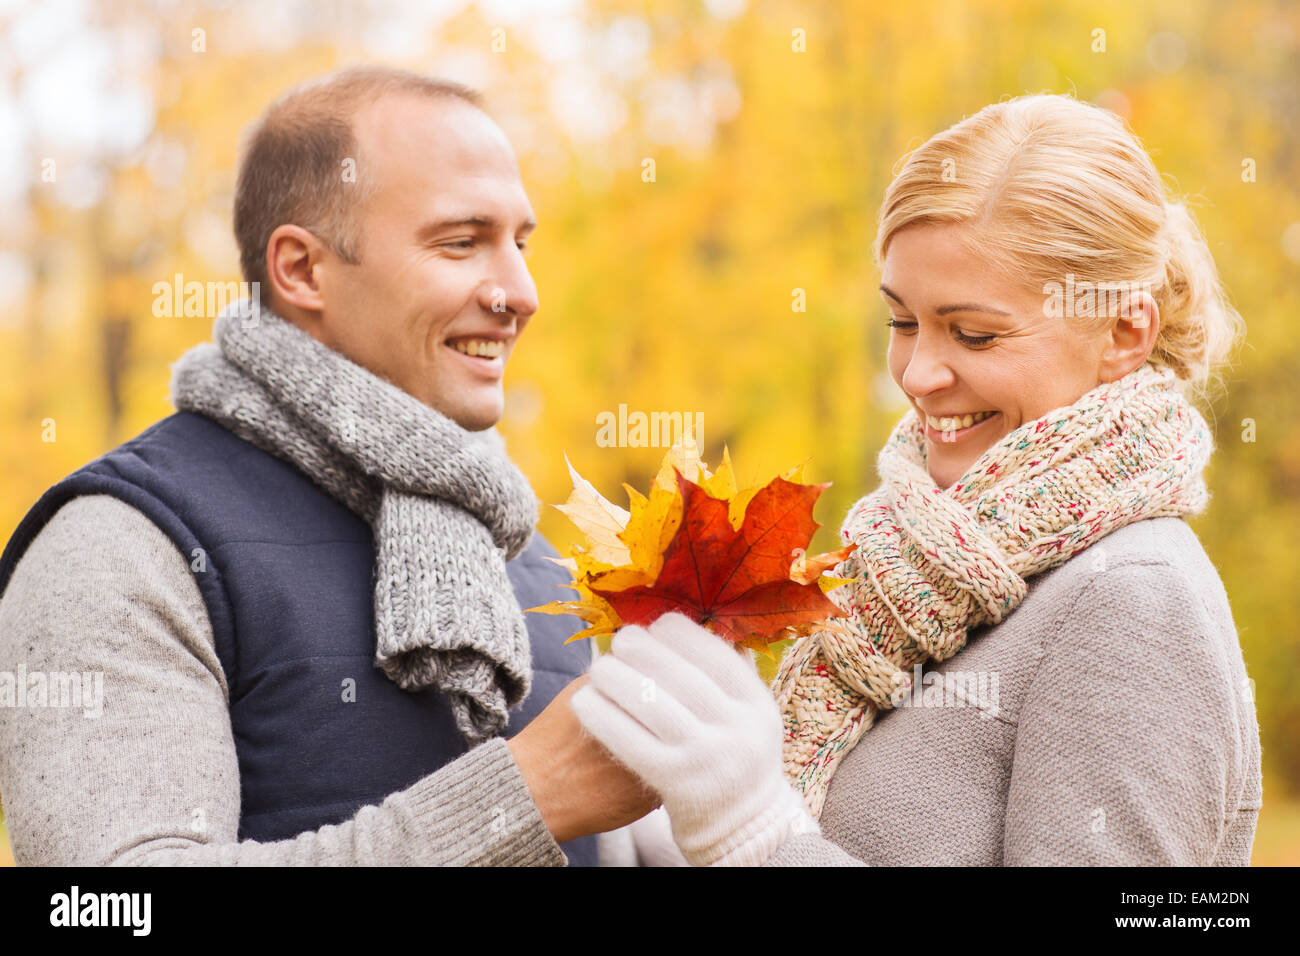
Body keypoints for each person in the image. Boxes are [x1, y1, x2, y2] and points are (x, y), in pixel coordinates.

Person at [573, 93, 1262, 866]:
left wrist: (755, 836)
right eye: (903, 322)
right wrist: (657, 823)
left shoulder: (1132, 597)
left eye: (974, 333)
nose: (918, 372)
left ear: (1124, 333)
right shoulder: (907, 579)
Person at [0, 65, 657, 866]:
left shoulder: (537, 568)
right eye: (461, 243)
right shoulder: (123, 543)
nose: (521, 292)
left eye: (519, 244)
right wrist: (520, 801)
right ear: (302, 270)